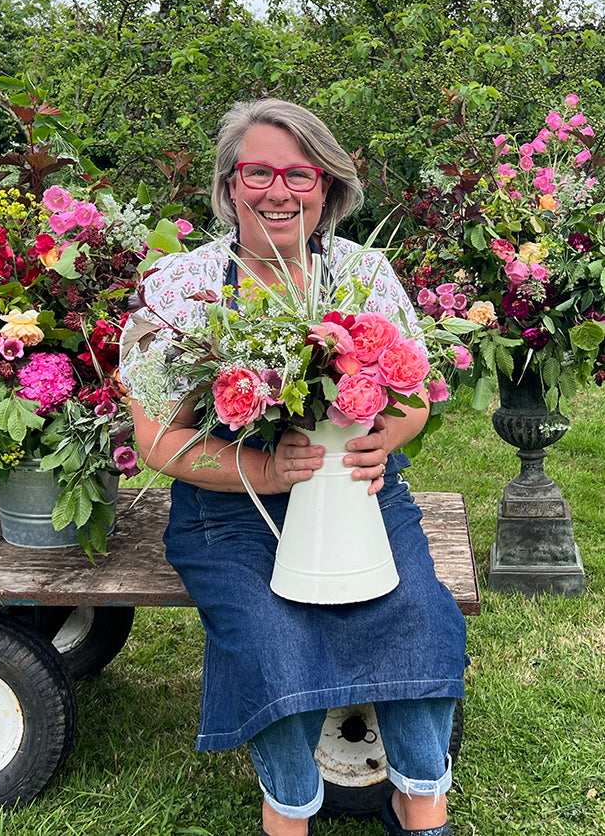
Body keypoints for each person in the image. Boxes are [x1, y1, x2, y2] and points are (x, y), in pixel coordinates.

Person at [120, 98, 467, 836]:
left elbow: (416, 395)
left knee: (416, 613)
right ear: (229, 183)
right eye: (258, 173)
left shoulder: (362, 273)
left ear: (325, 185)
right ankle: (288, 808)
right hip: (230, 510)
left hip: (357, 495)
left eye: (299, 174)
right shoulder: (180, 287)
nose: (278, 192)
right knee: (268, 635)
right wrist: (268, 471)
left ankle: (420, 798)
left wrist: (384, 438)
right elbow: (158, 439)